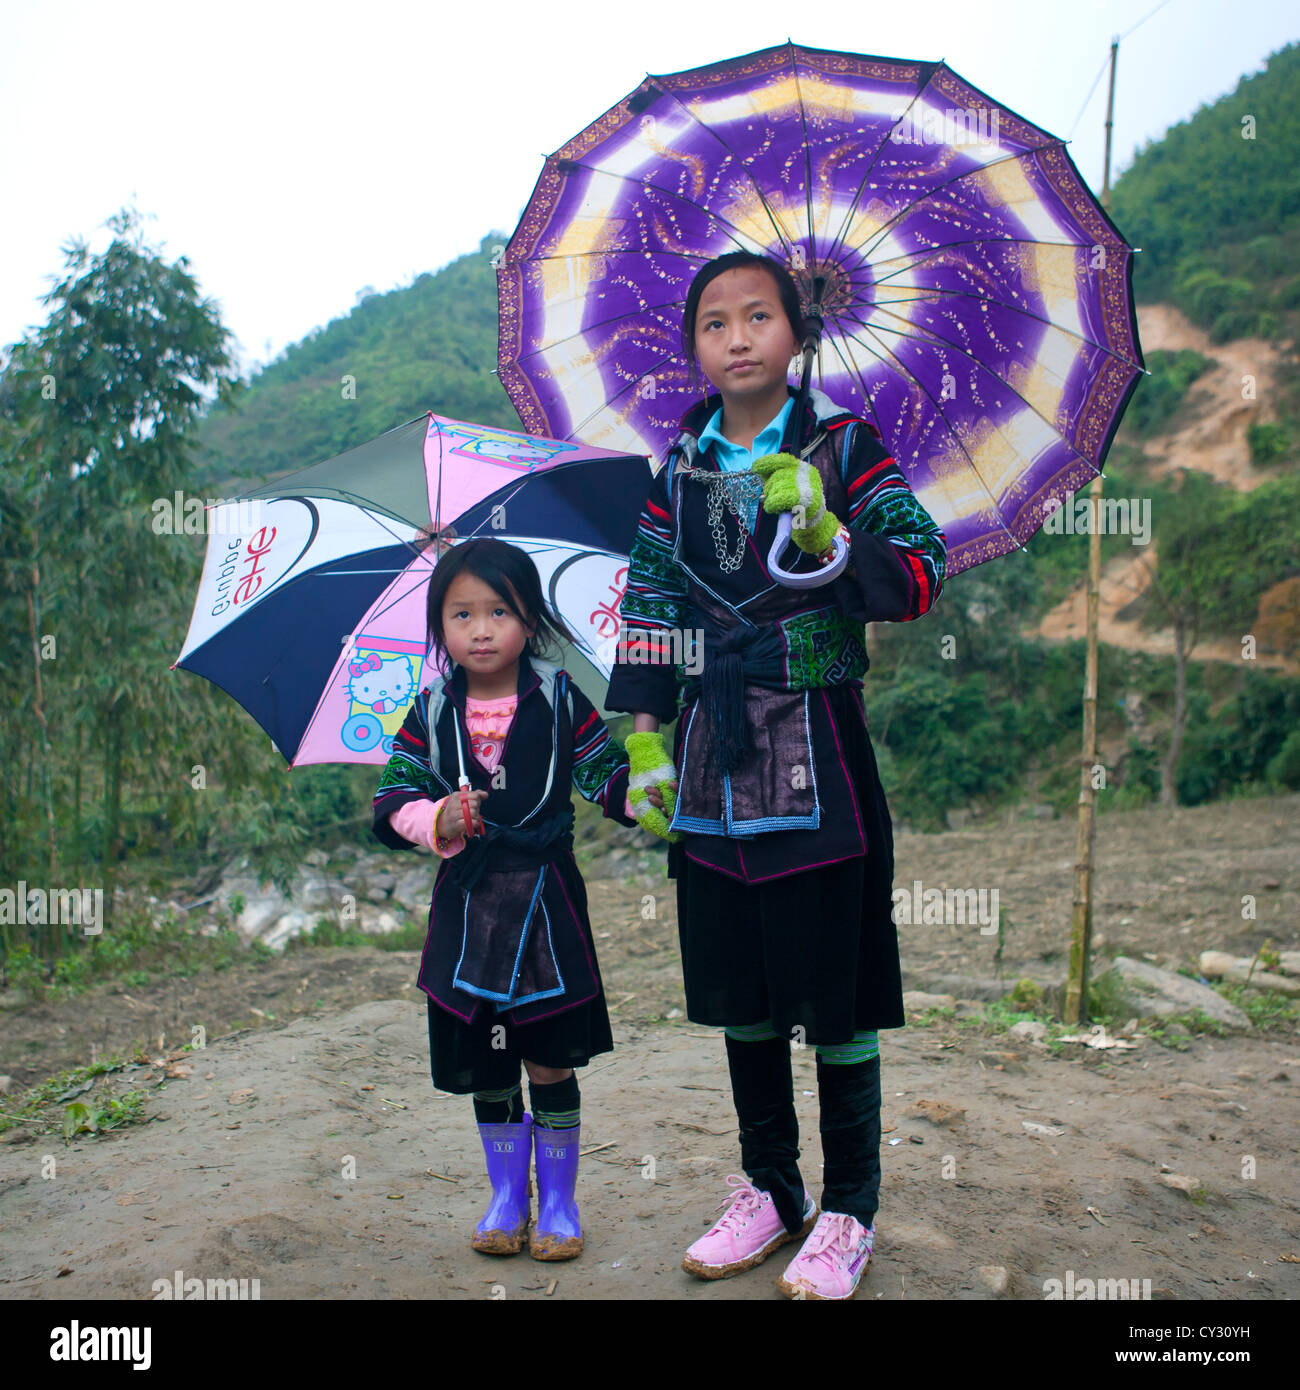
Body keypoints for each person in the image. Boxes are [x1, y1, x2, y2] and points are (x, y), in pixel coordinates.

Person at [610, 250, 948, 1300]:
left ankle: (848, 1206)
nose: (738, 335)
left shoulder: (842, 445)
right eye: (715, 322)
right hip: (711, 758)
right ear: (696, 350)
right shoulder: (683, 471)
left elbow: (920, 572)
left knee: (835, 997)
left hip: (820, 756)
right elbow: (655, 606)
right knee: (740, 990)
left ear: (797, 336)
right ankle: (769, 1185)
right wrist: (645, 738)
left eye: (759, 315)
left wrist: (827, 530)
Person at [371, 538, 643, 1261]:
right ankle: (504, 1197)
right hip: (469, 911)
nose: (481, 629)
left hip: (547, 906)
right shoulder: (430, 710)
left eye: (500, 611)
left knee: (549, 1060)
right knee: (489, 1062)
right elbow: (390, 797)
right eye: (462, 614)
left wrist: (643, 792)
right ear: (441, 628)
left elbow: (604, 776)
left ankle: (557, 1202)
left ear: (531, 620)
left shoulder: (558, 697)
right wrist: (437, 821)